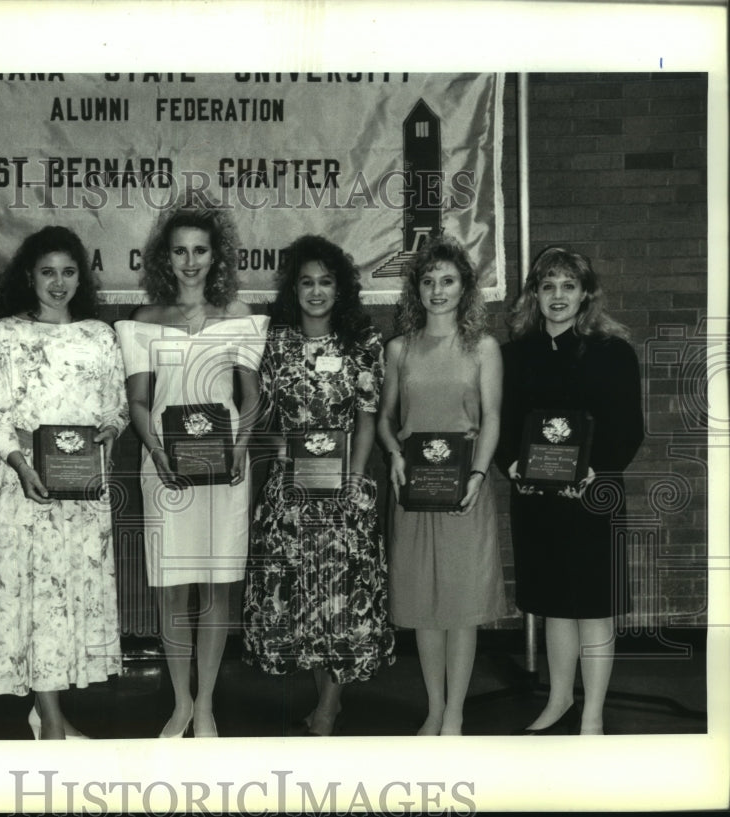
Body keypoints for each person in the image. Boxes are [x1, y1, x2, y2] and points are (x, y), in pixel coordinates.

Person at [115, 202, 267, 739]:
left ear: (215, 255)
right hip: (165, 468)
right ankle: (180, 703)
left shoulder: (240, 315)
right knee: (172, 589)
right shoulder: (143, 322)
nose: (190, 261)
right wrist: (156, 452)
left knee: (218, 587)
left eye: (200, 250)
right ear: (165, 256)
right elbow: (138, 402)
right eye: (179, 250)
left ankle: (207, 706)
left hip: (225, 469)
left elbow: (250, 398)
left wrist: (240, 449)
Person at [0, 226, 128, 740]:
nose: (58, 283)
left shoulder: (100, 335)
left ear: (81, 276)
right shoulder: (4, 335)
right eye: (47, 272)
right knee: (36, 598)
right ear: (29, 276)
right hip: (27, 487)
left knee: (68, 599)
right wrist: (22, 465)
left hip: (83, 491)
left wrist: (110, 428)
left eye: (68, 272)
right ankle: (54, 725)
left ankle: (47, 714)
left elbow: (116, 407)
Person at [242, 235, 396, 737]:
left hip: (344, 489)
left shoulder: (363, 342)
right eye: (306, 282)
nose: (315, 291)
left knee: (340, 598)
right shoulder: (276, 341)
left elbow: (370, 415)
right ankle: (321, 699)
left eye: (325, 281)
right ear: (294, 288)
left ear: (340, 288)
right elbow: (262, 413)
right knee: (304, 600)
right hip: (290, 492)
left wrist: (354, 475)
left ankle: (329, 707)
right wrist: (278, 443)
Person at [496, 246, 643, 736]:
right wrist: (511, 464)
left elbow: (629, 428)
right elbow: (501, 424)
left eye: (568, 286)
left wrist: (595, 471)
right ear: (534, 295)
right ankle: (559, 700)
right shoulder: (514, 354)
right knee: (555, 604)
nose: (557, 296)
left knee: (595, 607)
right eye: (547, 286)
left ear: (585, 294)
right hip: (537, 499)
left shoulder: (613, 351)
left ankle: (593, 715)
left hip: (593, 495)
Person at [377, 233, 505, 736]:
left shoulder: (483, 348)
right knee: (423, 605)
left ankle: (456, 712)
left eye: (447, 281)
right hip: (414, 487)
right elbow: (386, 419)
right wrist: (391, 455)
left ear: (465, 287)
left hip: (464, 491)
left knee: (461, 604)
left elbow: (493, 419)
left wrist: (478, 473)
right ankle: (434, 706)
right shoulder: (399, 350)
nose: (437, 290)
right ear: (416, 289)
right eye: (428, 281)